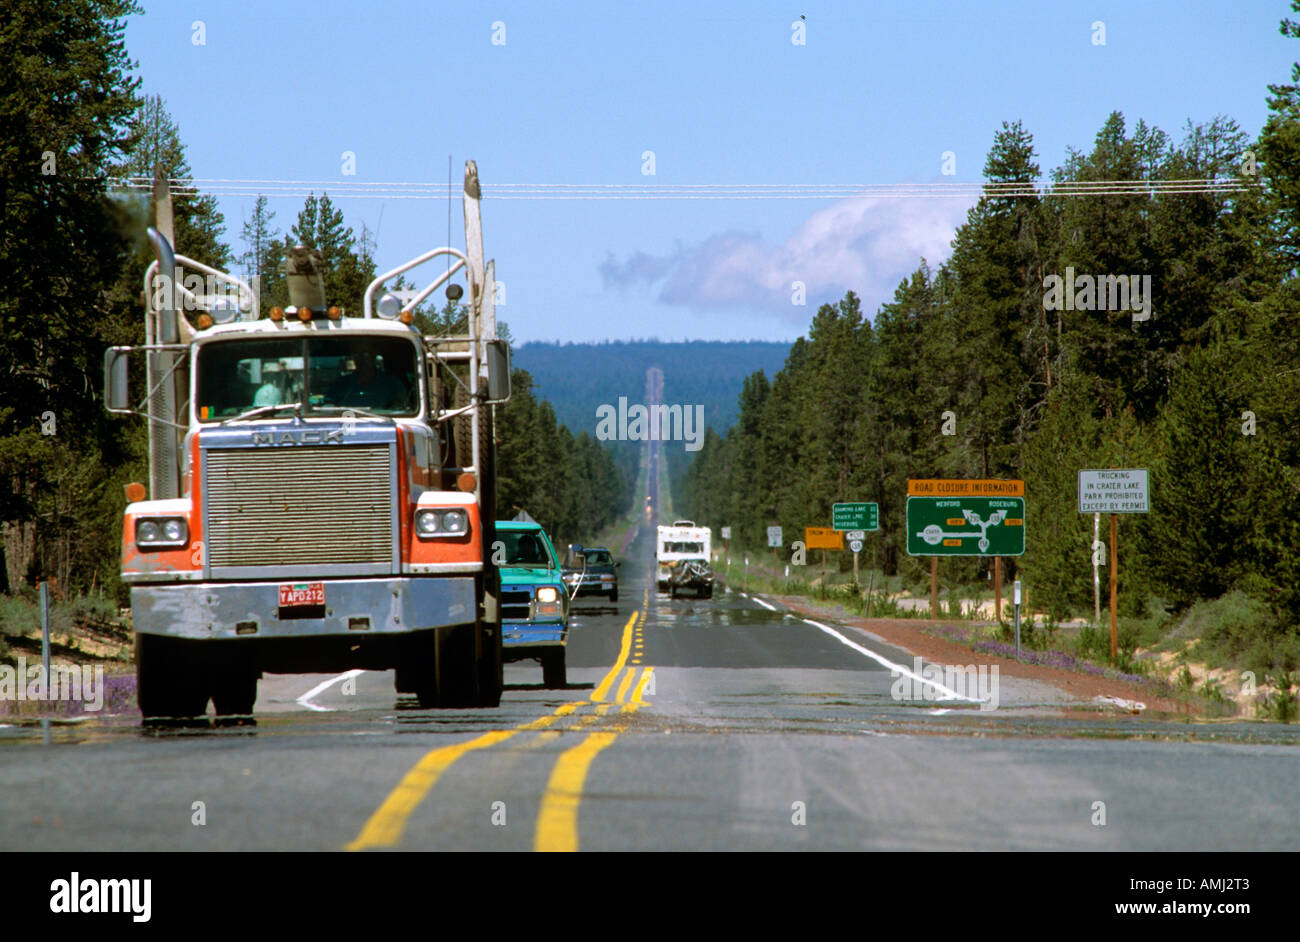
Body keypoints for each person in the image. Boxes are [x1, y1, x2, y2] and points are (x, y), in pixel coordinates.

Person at [328, 345, 406, 410]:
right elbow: (328, 404)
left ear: (374, 357)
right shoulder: (341, 383)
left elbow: (402, 407)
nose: (362, 360)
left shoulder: (392, 384)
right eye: (356, 355)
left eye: (366, 355)